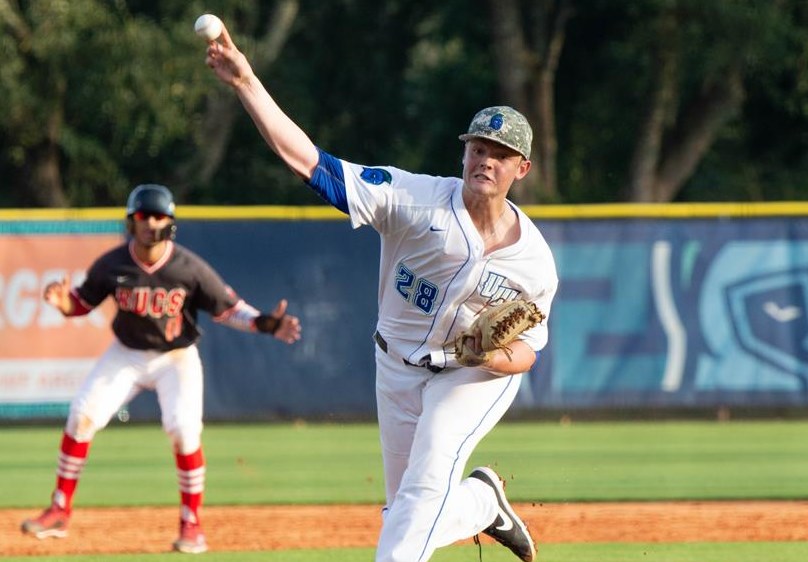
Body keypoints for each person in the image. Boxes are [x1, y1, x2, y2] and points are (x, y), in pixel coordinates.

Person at [202, 22, 557, 562]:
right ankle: (483, 502)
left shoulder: (533, 261)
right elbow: (315, 166)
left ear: (521, 169)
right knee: (406, 515)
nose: (486, 158)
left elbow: (531, 349)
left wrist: (493, 355)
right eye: (478, 147)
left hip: (471, 376)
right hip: (396, 367)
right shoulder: (415, 201)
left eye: (501, 153)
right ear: (463, 154)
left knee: (418, 500)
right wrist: (248, 81)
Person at [20, 183, 302, 554]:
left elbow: (228, 308)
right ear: (131, 222)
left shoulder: (187, 266)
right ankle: (59, 510)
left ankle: (192, 525)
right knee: (81, 416)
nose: (150, 222)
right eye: (143, 216)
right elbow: (82, 302)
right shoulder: (113, 263)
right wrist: (63, 303)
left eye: (158, 216)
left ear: (170, 222)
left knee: (183, 431)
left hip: (176, 357)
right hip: (127, 352)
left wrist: (262, 323)